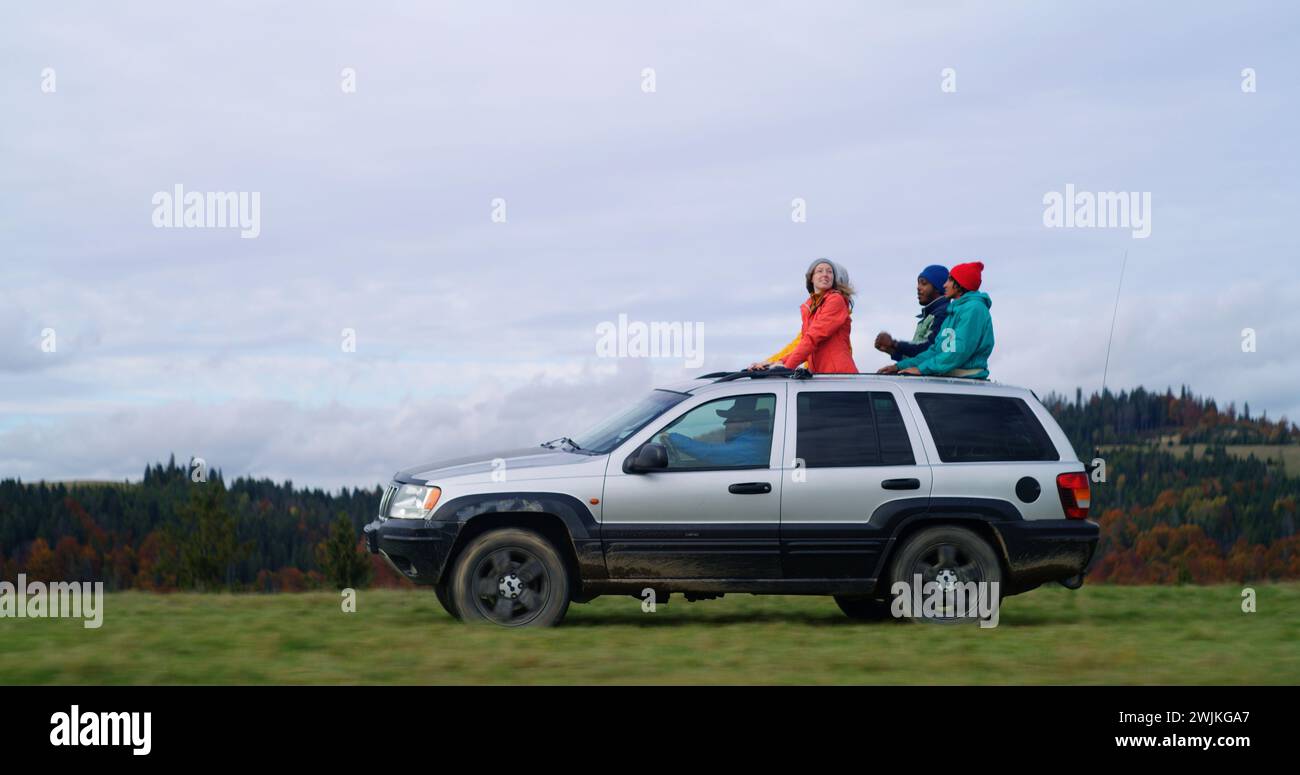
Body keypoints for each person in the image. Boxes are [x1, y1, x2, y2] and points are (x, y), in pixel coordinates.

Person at [879, 261, 993, 379]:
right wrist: (900, 366)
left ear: (960, 284)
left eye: (949, 280)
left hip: (967, 383)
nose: (944, 285)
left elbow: (958, 352)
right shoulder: (953, 311)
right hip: (950, 379)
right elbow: (935, 350)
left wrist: (921, 369)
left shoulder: (974, 309)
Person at [749, 258, 857, 374]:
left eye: (829, 272)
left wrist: (786, 367)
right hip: (822, 376)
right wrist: (774, 363)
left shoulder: (835, 300)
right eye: (820, 271)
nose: (825, 275)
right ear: (811, 278)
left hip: (837, 376)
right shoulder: (812, 307)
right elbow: (802, 344)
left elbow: (813, 338)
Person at [659, 396, 772, 467]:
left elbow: (708, 452)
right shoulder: (756, 438)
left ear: (748, 423)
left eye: (732, 419)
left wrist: (671, 437)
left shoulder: (750, 445)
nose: (725, 423)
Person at [874, 264, 950, 362]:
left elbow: (929, 350)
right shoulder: (929, 315)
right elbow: (918, 360)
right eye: (918, 283)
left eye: (924, 283)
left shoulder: (943, 314)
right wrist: (891, 351)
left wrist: (894, 344)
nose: (918, 287)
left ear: (938, 287)